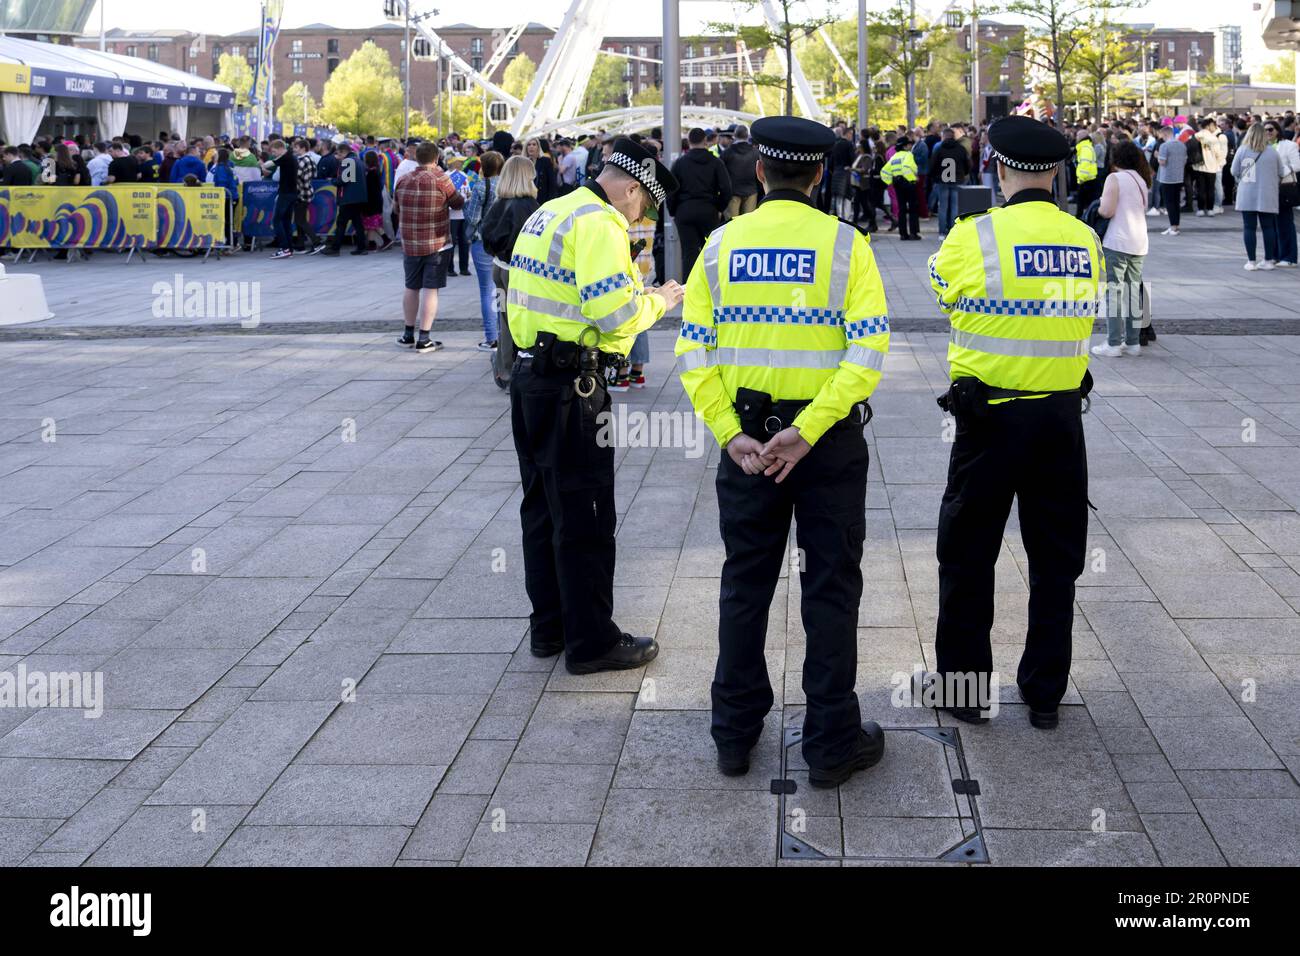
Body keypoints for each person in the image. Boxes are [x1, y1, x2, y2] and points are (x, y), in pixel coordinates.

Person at [676, 115, 889, 786]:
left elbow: (692, 352)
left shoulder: (718, 246)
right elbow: (867, 351)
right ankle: (831, 743)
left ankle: (734, 734)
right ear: (820, 174)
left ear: (760, 173)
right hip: (824, 446)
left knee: (745, 583)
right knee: (831, 587)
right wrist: (812, 427)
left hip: (746, 442)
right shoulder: (849, 247)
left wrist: (731, 433)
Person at [926, 115, 1103, 730]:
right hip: (1060, 424)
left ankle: (966, 693)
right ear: (1054, 173)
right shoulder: (1084, 240)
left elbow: (944, 296)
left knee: (968, 555)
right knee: (1056, 561)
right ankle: (1046, 692)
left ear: (999, 169)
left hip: (989, 421)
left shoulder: (970, 236)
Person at [506, 137, 683, 675]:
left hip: (530, 378)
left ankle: (550, 629)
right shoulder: (600, 223)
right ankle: (592, 642)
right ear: (631, 188)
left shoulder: (552, 211)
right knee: (585, 516)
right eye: (645, 206)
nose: (641, 217)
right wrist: (661, 300)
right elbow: (613, 315)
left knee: (541, 511)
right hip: (571, 390)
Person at [393, 142, 463, 350]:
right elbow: (457, 203)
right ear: (436, 158)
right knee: (431, 290)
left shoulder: (403, 180)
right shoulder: (442, 179)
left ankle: (407, 334)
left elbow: (396, 208)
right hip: (437, 243)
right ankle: (424, 338)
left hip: (410, 244)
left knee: (411, 287)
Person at [481, 155, 541, 385]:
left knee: (504, 318)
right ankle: (511, 370)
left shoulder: (500, 203)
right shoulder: (529, 206)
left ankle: (503, 366)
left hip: (498, 268)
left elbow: (486, 234)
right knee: (519, 319)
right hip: (517, 271)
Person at [1091, 141, 1151, 357]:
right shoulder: (1141, 179)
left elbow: (1106, 211)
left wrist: (1097, 205)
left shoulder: (1114, 178)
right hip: (1139, 241)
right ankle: (1133, 342)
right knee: (1133, 291)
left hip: (1117, 241)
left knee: (1114, 292)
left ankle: (1113, 343)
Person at [668, 126, 733, 277]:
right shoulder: (715, 162)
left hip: (684, 211)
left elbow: (671, 191)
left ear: (689, 141)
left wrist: (673, 211)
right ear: (705, 141)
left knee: (689, 253)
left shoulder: (680, 163)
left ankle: (688, 290)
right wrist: (718, 207)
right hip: (708, 210)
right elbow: (727, 189)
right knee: (711, 253)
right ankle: (712, 288)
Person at [464, 149, 504, 351]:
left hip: (483, 241)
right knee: (502, 291)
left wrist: (466, 203)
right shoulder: (507, 187)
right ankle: (504, 335)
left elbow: (472, 218)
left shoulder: (481, 186)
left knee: (486, 291)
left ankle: (491, 338)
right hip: (504, 243)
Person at [1232, 121, 1282, 271]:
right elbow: (1281, 172)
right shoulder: (1272, 152)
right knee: (1268, 228)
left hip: (1247, 193)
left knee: (1249, 227)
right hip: (1267, 193)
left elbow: (1234, 171)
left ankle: (1251, 261)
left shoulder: (1242, 150)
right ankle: (1268, 260)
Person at [324, 144, 368, 256]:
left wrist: (332, 181)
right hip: (359, 197)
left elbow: (344, 180)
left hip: (349, 197)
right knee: (358, 223)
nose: (337, 157)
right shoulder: (359, 161)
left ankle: (335, 248)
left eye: (338, 154)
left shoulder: (348, 161)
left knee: (341, 223)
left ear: (343, 152)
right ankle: (361, 247)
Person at [1267, 124, 1300, 267]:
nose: (1268, 132)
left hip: (1283, 187)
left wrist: (1280, 171)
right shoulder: (1262, 146)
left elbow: (1297, 165)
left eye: (1270, 129)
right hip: (1267, 188)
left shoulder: (1289, 145)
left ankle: (1289, 257)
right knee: (1270, 224)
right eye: (1265, 130)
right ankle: (1274, 255)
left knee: (1285, 222)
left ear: (1277, 131)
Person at [929, 127, 971, 238]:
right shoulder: (961, 149)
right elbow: (968, 164)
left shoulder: (939, 149)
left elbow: (933, 165)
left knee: (943, 207)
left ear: (944, 136)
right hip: (957, 180)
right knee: (955, 207)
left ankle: (942, 232)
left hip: (942, 181)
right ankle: (953, 232)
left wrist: (934, 178)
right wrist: (964, 173)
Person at [881, 136, 920, 239]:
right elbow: (906, 168)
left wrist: (890, 182)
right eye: (909, 144)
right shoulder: (908, 155)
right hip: (908, 183)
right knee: (913, 208)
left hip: (897, 184)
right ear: (905, 146)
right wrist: (913, 179)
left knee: (901, 209)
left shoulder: (895, 157)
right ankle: (913, 233)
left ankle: (903, 234)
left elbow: (884, 171)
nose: (911, 146)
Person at [265, 140, 298, 259]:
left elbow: (269, 164)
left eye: (274, 151)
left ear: (280, 148)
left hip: (285, 193)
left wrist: (261, 164)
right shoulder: (292, 157)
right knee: (286, 221)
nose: (273, 154)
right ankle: (289, 248)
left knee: (277, 220)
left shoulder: (285, 157)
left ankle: (284, 248)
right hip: (292, 193)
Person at [291, 139, 324, 254]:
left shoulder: (301, 160)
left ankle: (317, 242)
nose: (294, 149)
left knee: (300, 220)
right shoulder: (310, 159)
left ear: (303, 148)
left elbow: (295, 176)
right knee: (300, 219)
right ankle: (300, 245)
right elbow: (314, 174)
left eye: (296, 147)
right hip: (306, 191)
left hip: (301, 192)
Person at [721, 123, 759, 219]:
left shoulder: (727, 153)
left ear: (734, 136)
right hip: (751, 192)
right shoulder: (755, 153)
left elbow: (721, 172)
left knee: (731, 223)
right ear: (747, 136)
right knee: (748, 223)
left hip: (732, 193)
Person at [1192, 117, 1227, 217]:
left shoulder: (1195, 136)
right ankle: (1210, 209)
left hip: (1198, 166)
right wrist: (1219, 162)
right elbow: (1218, 153)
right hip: (1211, 167)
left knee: (1200, 188)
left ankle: (1200, 209)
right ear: (1208, 126)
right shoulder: (1213, 138)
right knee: (1210, 188)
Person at [1155, 126, 1187, 236]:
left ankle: (1173, 227)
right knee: (1176, 202)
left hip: (1167, 178)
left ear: (1164, 134)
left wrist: (1157, 156)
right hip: (1178, 177)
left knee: (1170, 203)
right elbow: (1185, 160)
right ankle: (1176, 226)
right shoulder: (1182, 144)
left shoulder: (1164, 146)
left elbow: (1162, 162)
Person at [1073, 128, 1099, 218]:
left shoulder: (1085, 148)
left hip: (1085, 180)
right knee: (1086, 202)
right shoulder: (1086, 146)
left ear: (1081, 137)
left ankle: (1081, 219)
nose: (1076, 137)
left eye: (1077, 135)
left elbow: (1085, 165)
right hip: (1088, 179)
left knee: (1081, 203)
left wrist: (1081, 179)